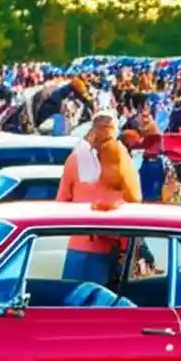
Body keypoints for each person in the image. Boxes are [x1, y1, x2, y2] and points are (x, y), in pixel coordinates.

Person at [55, 111, 140, 281]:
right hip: (109, 247)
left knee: (71, 301)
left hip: (77, 246)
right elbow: (135, 202)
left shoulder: (75, 160)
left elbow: (61, 203)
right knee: (98, 303)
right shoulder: (122, 162)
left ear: (93, 131)